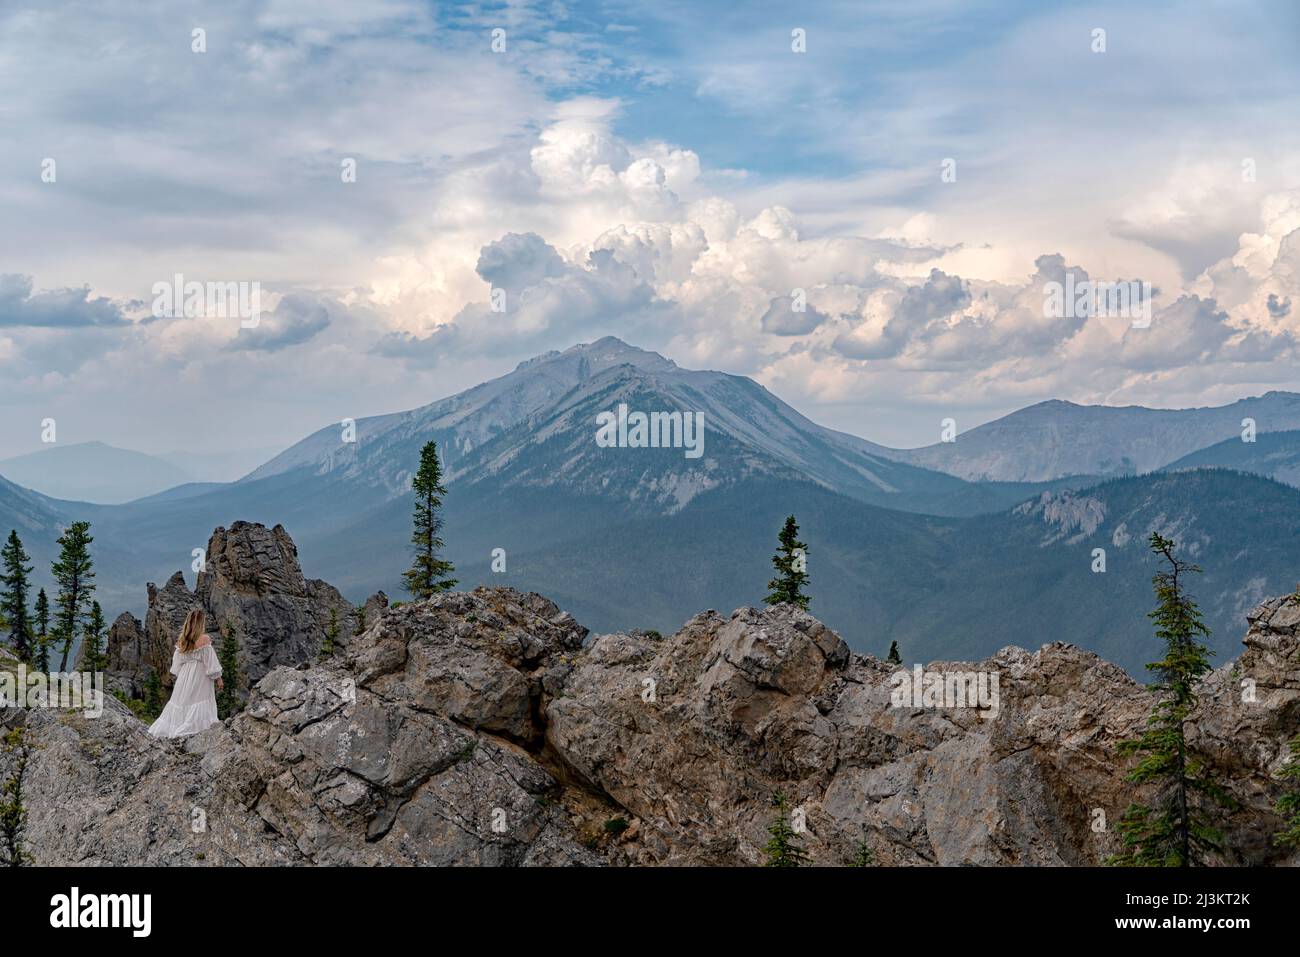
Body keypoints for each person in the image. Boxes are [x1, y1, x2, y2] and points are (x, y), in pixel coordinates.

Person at [147, 608, 224, 738]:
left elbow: (176, 665)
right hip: (200, 677)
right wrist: (218, 679)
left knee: (182, 702)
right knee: (200, 700)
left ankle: (173, 729)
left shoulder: (181, 641)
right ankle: (196, 728)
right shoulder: (204, 639)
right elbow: (211, 662)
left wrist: (185, 675)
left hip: (184, 677)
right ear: (201, 623)